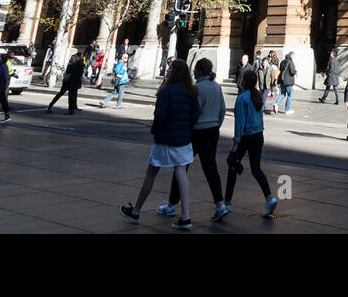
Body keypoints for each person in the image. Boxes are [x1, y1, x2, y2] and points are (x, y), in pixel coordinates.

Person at [119, 60, 200, 230]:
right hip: (184, 139)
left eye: (170, 69)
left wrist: (155, 131)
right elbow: (195, 115)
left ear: (174, 72)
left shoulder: (166, 91)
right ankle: (185, 216)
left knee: (151, 174)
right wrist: (186, 128)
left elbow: (160, 116)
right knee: (181, 174)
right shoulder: (192, 91)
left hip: (165, 139)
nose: (167, 71)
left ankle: (136, 211)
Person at [158, 58, 226, 220]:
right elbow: (222, 110)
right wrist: (216, 125)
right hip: (213, 131)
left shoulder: (197, 89)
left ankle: (171, 204)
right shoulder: (217, 87)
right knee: (211, 169)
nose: (193, 72)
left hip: (197, 132)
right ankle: (220, 204)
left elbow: (194, 112)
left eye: (195, 69)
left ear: (199, 71)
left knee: (181, 167)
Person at [216, 68, 277, 219]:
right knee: (256, 169)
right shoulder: (257, 96)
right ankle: (270, 197)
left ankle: (228, 202)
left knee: (232, 165)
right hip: (258, 135)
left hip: (246, 137)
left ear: (244, 81)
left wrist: (236, 142)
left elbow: (240, 122)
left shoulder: (242, 98)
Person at [277, 50, 297, 115]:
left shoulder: (282, 61)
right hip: (288, 82)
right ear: (291, 55)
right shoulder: (290, 62)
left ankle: (276, 103)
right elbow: (292, 71)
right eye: (293, 56)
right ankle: (287, 110)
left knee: (283, 94)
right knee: (289, 95)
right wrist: (295, 72)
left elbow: (280, 69)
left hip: (282, 81)